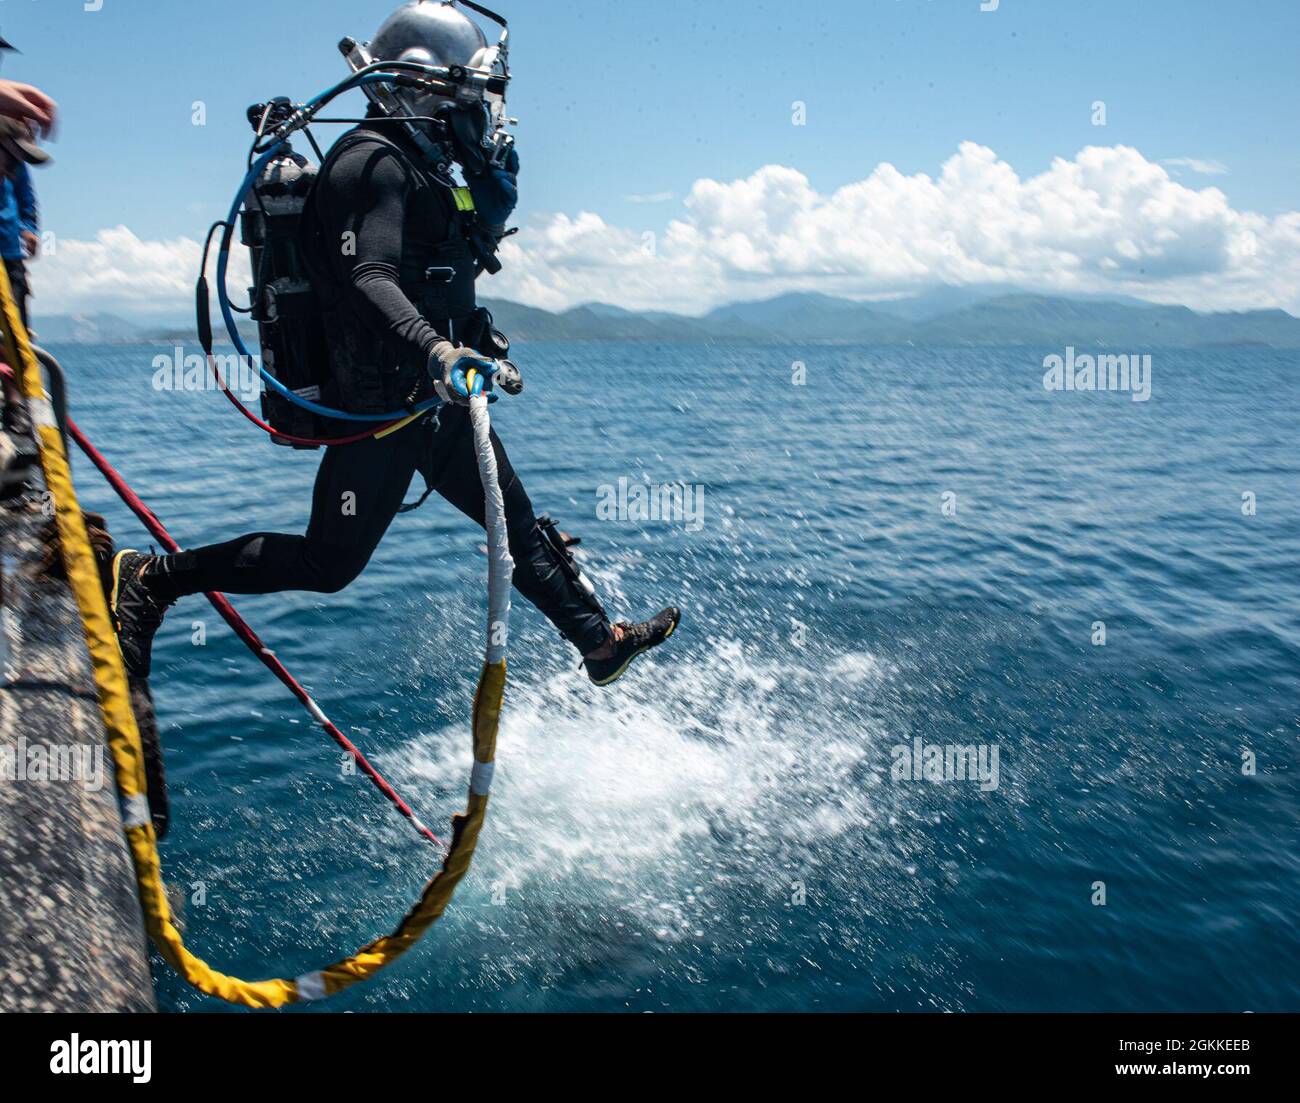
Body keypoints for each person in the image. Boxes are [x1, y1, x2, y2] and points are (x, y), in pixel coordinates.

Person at [110, 0, 679, 686]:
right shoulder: (370, 162)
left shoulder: (425, 169)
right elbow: (367, 275)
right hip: (383, 409)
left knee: (516, 521)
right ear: (422, 85)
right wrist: (438, 351)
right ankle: (152, 577)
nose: (475, 112)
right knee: (329, 563)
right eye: (464, 94)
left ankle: (598, 642)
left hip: (430, 403)